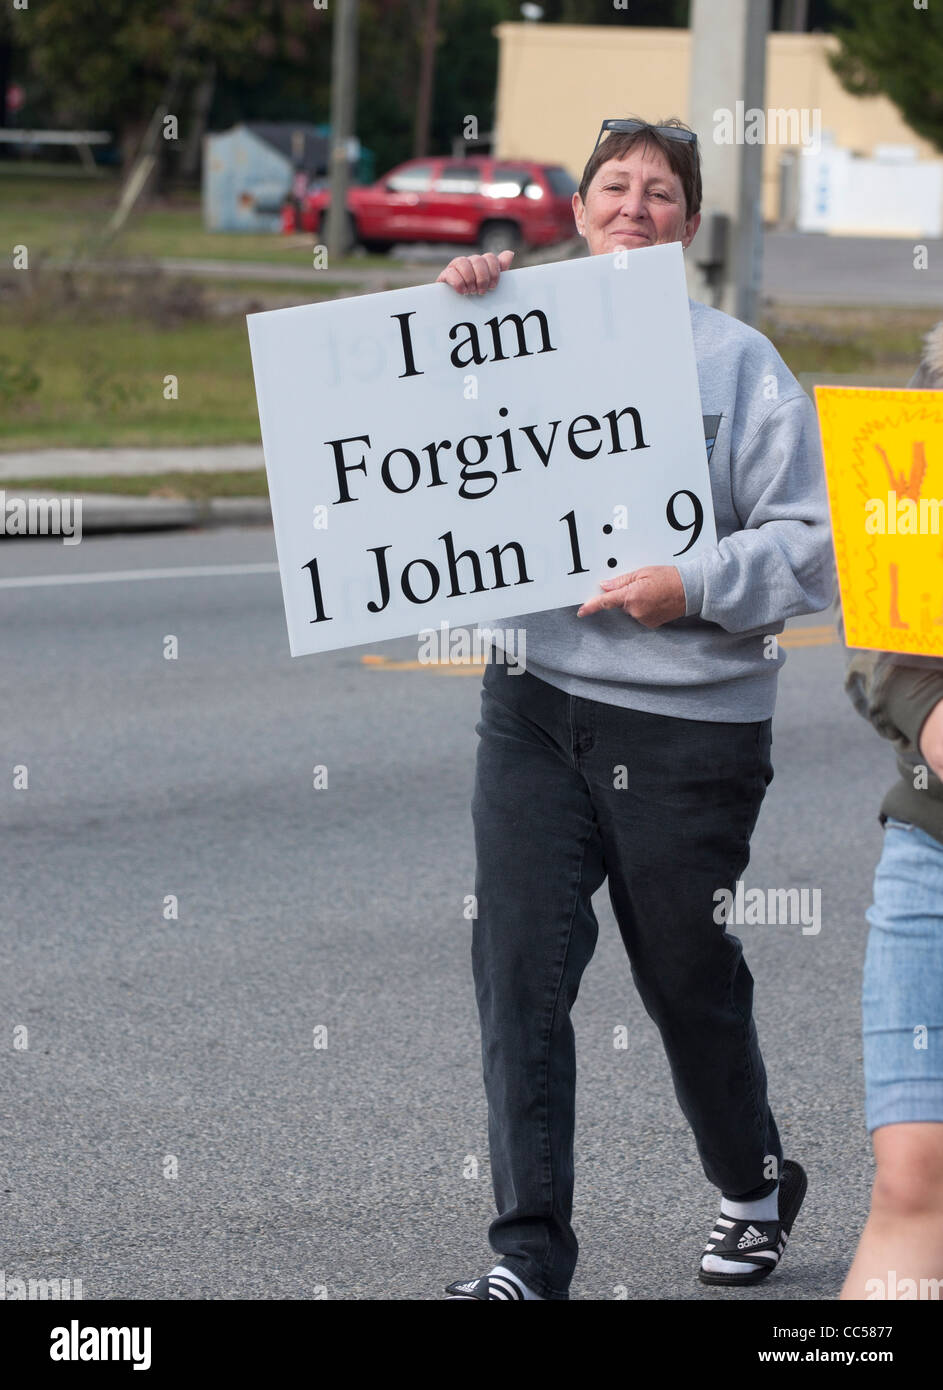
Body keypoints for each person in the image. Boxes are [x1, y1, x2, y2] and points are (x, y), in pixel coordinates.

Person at [436, 117, 833, 1301]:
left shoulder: (741, 365)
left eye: (660, 192)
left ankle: (754, 1182)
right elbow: (404, 452)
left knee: (683, 972)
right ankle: (527, 1258)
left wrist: (694, 582)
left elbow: (811, 549)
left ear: (688, 226)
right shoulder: (502, 336)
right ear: (576, 209)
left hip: (689, 731)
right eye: (613, 185)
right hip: (535, 705)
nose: (632, 205)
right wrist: (452, 316)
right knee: (517, 970)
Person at [838, 321, 943, 1300]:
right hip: (935, 840)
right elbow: (890, 631)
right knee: (912, 1168)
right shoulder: (939, 373)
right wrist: (928, 712)